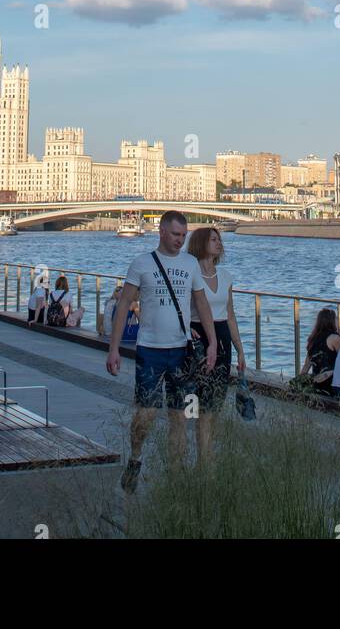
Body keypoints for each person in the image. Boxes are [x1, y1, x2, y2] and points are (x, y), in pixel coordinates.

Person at [106, 210, 217, 494]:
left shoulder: (191, 264)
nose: (181, 240)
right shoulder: (141, 264)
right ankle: (136, 455)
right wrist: (114, 348)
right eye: (176, 234)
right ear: (162, 232)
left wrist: (213, 342)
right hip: (150, 350)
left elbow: (202, 305)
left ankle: (175, 475)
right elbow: (124, 305)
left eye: (184, 235)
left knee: (179, 416)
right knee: (146, 414)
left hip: (181, 351)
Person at [186, 226, 245, 459]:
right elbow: (180, 308)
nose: (219, 243)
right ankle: (203, 458)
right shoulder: (190, 274)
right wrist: (187, 328)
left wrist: (240, 350)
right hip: (198, 336)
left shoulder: (226, 276)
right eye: (213, 239)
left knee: (215, 402)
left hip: (222, 336)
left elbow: (230, 314)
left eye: (219, 239)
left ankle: (207, 455)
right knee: (200, 402)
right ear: (201, 243)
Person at [292, 307, 340, 393]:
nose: (338, 321)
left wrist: (299, 382)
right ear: (332, 321)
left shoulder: (313, 338)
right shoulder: (335, 338)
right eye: (336, 319)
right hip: (329, 383)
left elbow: (306, 366)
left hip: (316, 382)